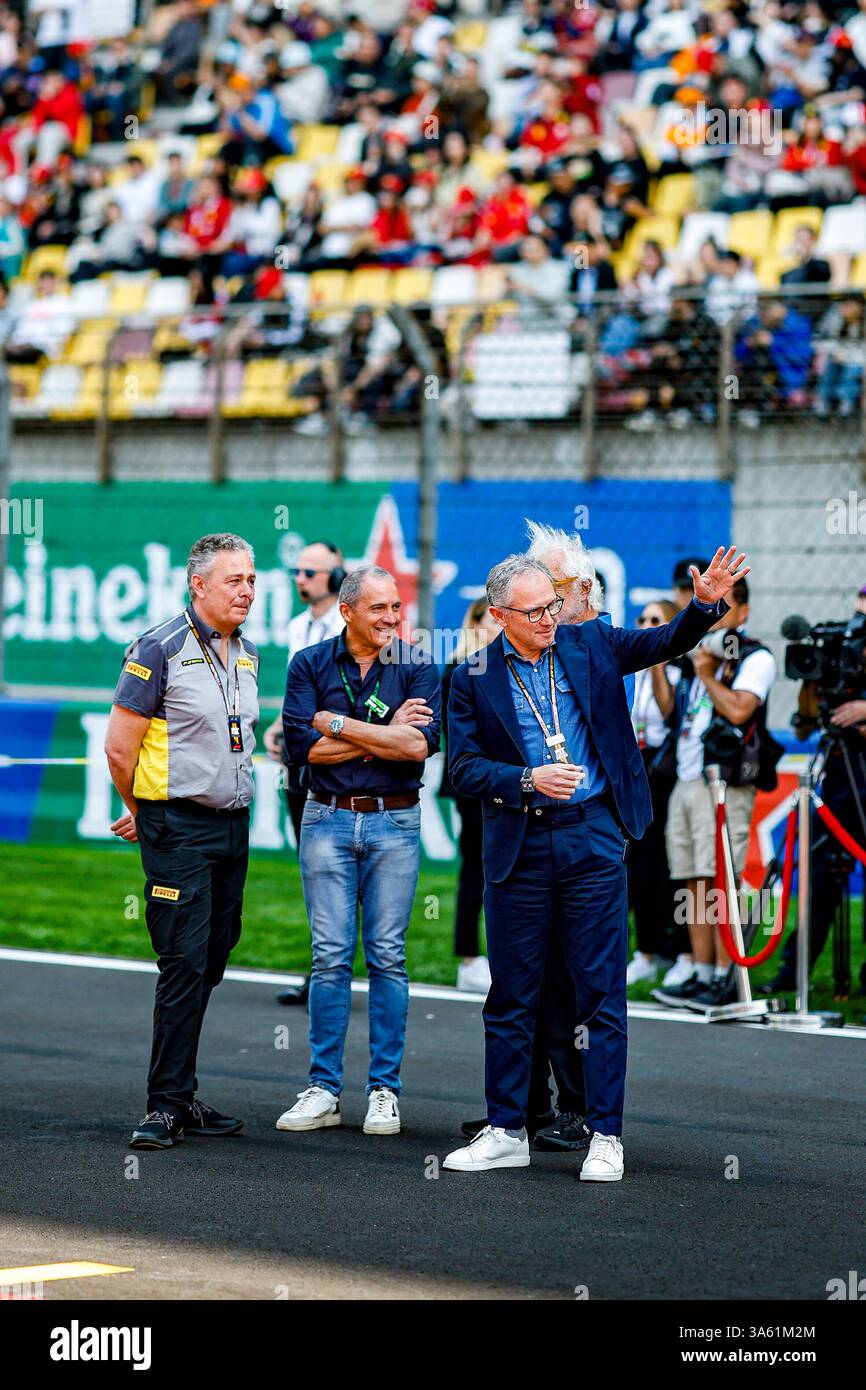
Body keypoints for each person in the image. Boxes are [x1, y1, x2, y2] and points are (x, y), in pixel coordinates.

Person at [441, 547, 745, 1180]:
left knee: (601, 992)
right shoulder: (470, 677)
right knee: (511, 994)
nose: (550, 617)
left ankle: (606, 1134)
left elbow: (667, 640)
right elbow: (464, 770)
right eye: (534, 611)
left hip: (593, 838)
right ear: (500, 615)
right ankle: (506, 1129)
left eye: (553, 604)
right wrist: (527, 779)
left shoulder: (591, 643)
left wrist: (706, 604)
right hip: (519, 844)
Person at [104, 534, 259, 1151]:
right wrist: (142, 811)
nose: (246, 591)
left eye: (251, 579)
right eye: (234, 581)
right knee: (183, 962)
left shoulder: (247, 653)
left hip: (232, 828)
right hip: (177, 829)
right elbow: (120, 748)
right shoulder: (157, 647)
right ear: (199, 586)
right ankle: (165, 1105)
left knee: (215, 956)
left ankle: (183, 1092)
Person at [276, 565, 441, 1138]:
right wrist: (384, 732)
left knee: (388, 956)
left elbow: (418, 747)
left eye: (396, 607)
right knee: (328, 955)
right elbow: (303, 749)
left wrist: (339, 724)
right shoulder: (309, 663)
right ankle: (323, 1088)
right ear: (347, 611)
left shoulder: (418, 664)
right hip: (324, 818)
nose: (392, 618)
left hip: (395, 819)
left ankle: (384, 1091)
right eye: (379, 609)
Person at [654, 579, 778, 1011]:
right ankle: (702, 971)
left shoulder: (755, 656)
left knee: (723, 878)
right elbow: (672, 713)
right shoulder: (695, 654)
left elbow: (741, 708)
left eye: (726, 607)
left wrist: (706, 674)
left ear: (743, 613)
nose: (717, 614)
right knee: (694, 878)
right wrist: (660, 666)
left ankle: (730, 972)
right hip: (687, 777)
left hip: (723, 783)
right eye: (712, 604)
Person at [263, 541, 346, 1007]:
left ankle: (330, 975)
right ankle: (321, 971)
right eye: (297, 571)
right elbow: (296, 693)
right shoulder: (299, 626)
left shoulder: (347, 625)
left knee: (339, 870)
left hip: (333, 755)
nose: (300, 579)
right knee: (314, 868)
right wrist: (280, 727)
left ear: (335, 578)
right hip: (302, 761)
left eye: (310, 572)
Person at [438, 598, 499, 993]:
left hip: (499, 783)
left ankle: (491, 955)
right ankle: (467, 957)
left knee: (497, 870)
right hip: (473, 783)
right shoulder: (459, 668)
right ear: (475, 622)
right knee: (475, 869)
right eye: (491, 618)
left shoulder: (501, 666)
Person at [626, 599, 681, 985]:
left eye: (655, 621)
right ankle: (644, 950)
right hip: (637, 774)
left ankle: (671, 948)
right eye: (642, 619)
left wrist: (658, 663)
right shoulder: (630, 669)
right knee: (637, 867)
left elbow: (669, 715)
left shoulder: (676, 670)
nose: (645, 625)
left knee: (664, 867)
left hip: (665, 778)